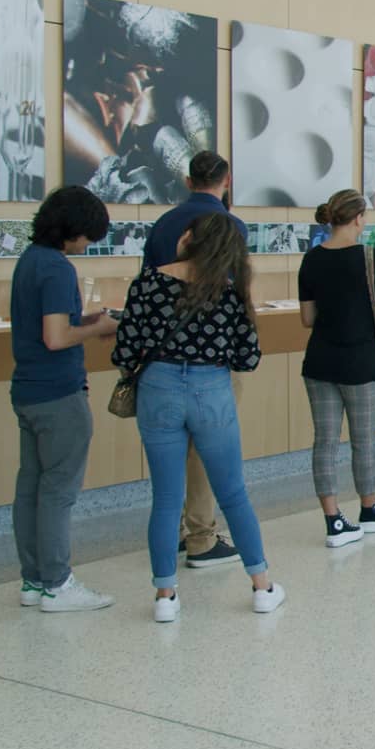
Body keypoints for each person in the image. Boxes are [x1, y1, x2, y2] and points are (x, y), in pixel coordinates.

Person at [114, 214, 283, 620]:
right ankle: (262, 586)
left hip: (158, 390)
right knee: (233, 493)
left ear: (189, 238)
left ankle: (165, 597)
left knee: (167, 500)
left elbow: (123, 351)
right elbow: (248, 358)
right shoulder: (229, 293)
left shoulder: (148, 282)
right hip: (212, 393)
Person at [9, 187, 120, 613]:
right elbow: (56, 338)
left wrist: (85, 321)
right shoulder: (57, 268)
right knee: (58, 491)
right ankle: (58, 582)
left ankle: (34, 580)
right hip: (59, 394)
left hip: (28, 391)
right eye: (86, 237)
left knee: (31, 488)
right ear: (71, 228)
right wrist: (98, 328)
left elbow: (48, 327)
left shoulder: (29, 260)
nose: (87, 245)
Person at [142, 151, 250, 570]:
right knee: (206, 451)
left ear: (188, 181)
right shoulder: (230, 226)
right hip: (210, 363)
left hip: (160, 363)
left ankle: (166, 540)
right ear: (227, 180)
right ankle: (201, 536)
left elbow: (147, 288)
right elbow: (238, 297)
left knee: (166, 459)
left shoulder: (162, 226)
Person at [299, 190, 375, 545]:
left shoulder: (312, 259)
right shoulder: (372, 258)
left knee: (325, 442)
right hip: (361, 361)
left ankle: (333, 520)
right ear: (358, 218)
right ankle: (369, 507)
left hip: (319, 361)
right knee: (364, 440)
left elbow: (307, 317)